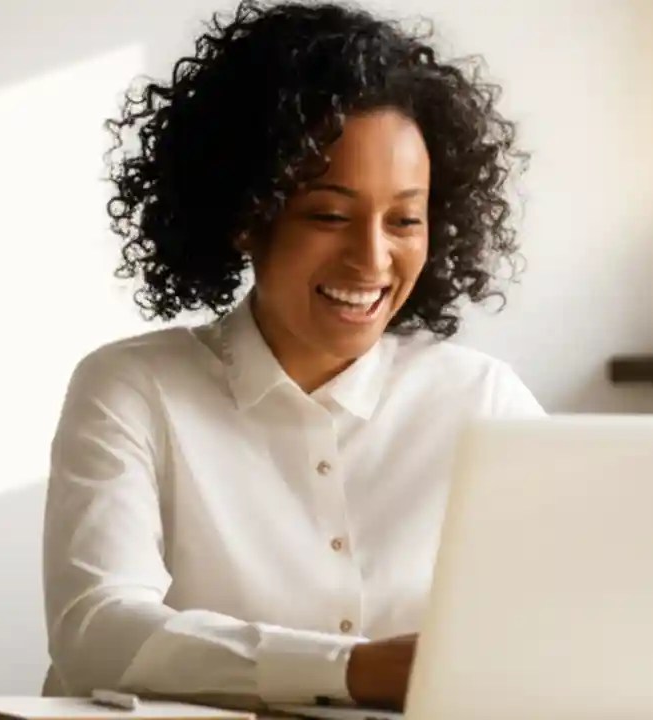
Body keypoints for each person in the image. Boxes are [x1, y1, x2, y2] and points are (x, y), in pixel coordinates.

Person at [42, 0, 541, 711]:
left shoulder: (484, 401)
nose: (372, 258)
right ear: (248, 215)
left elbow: (577, 614)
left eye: (405, 219)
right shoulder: (132, 388)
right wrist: (356, 670)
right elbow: (96, 632)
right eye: (329, 215)